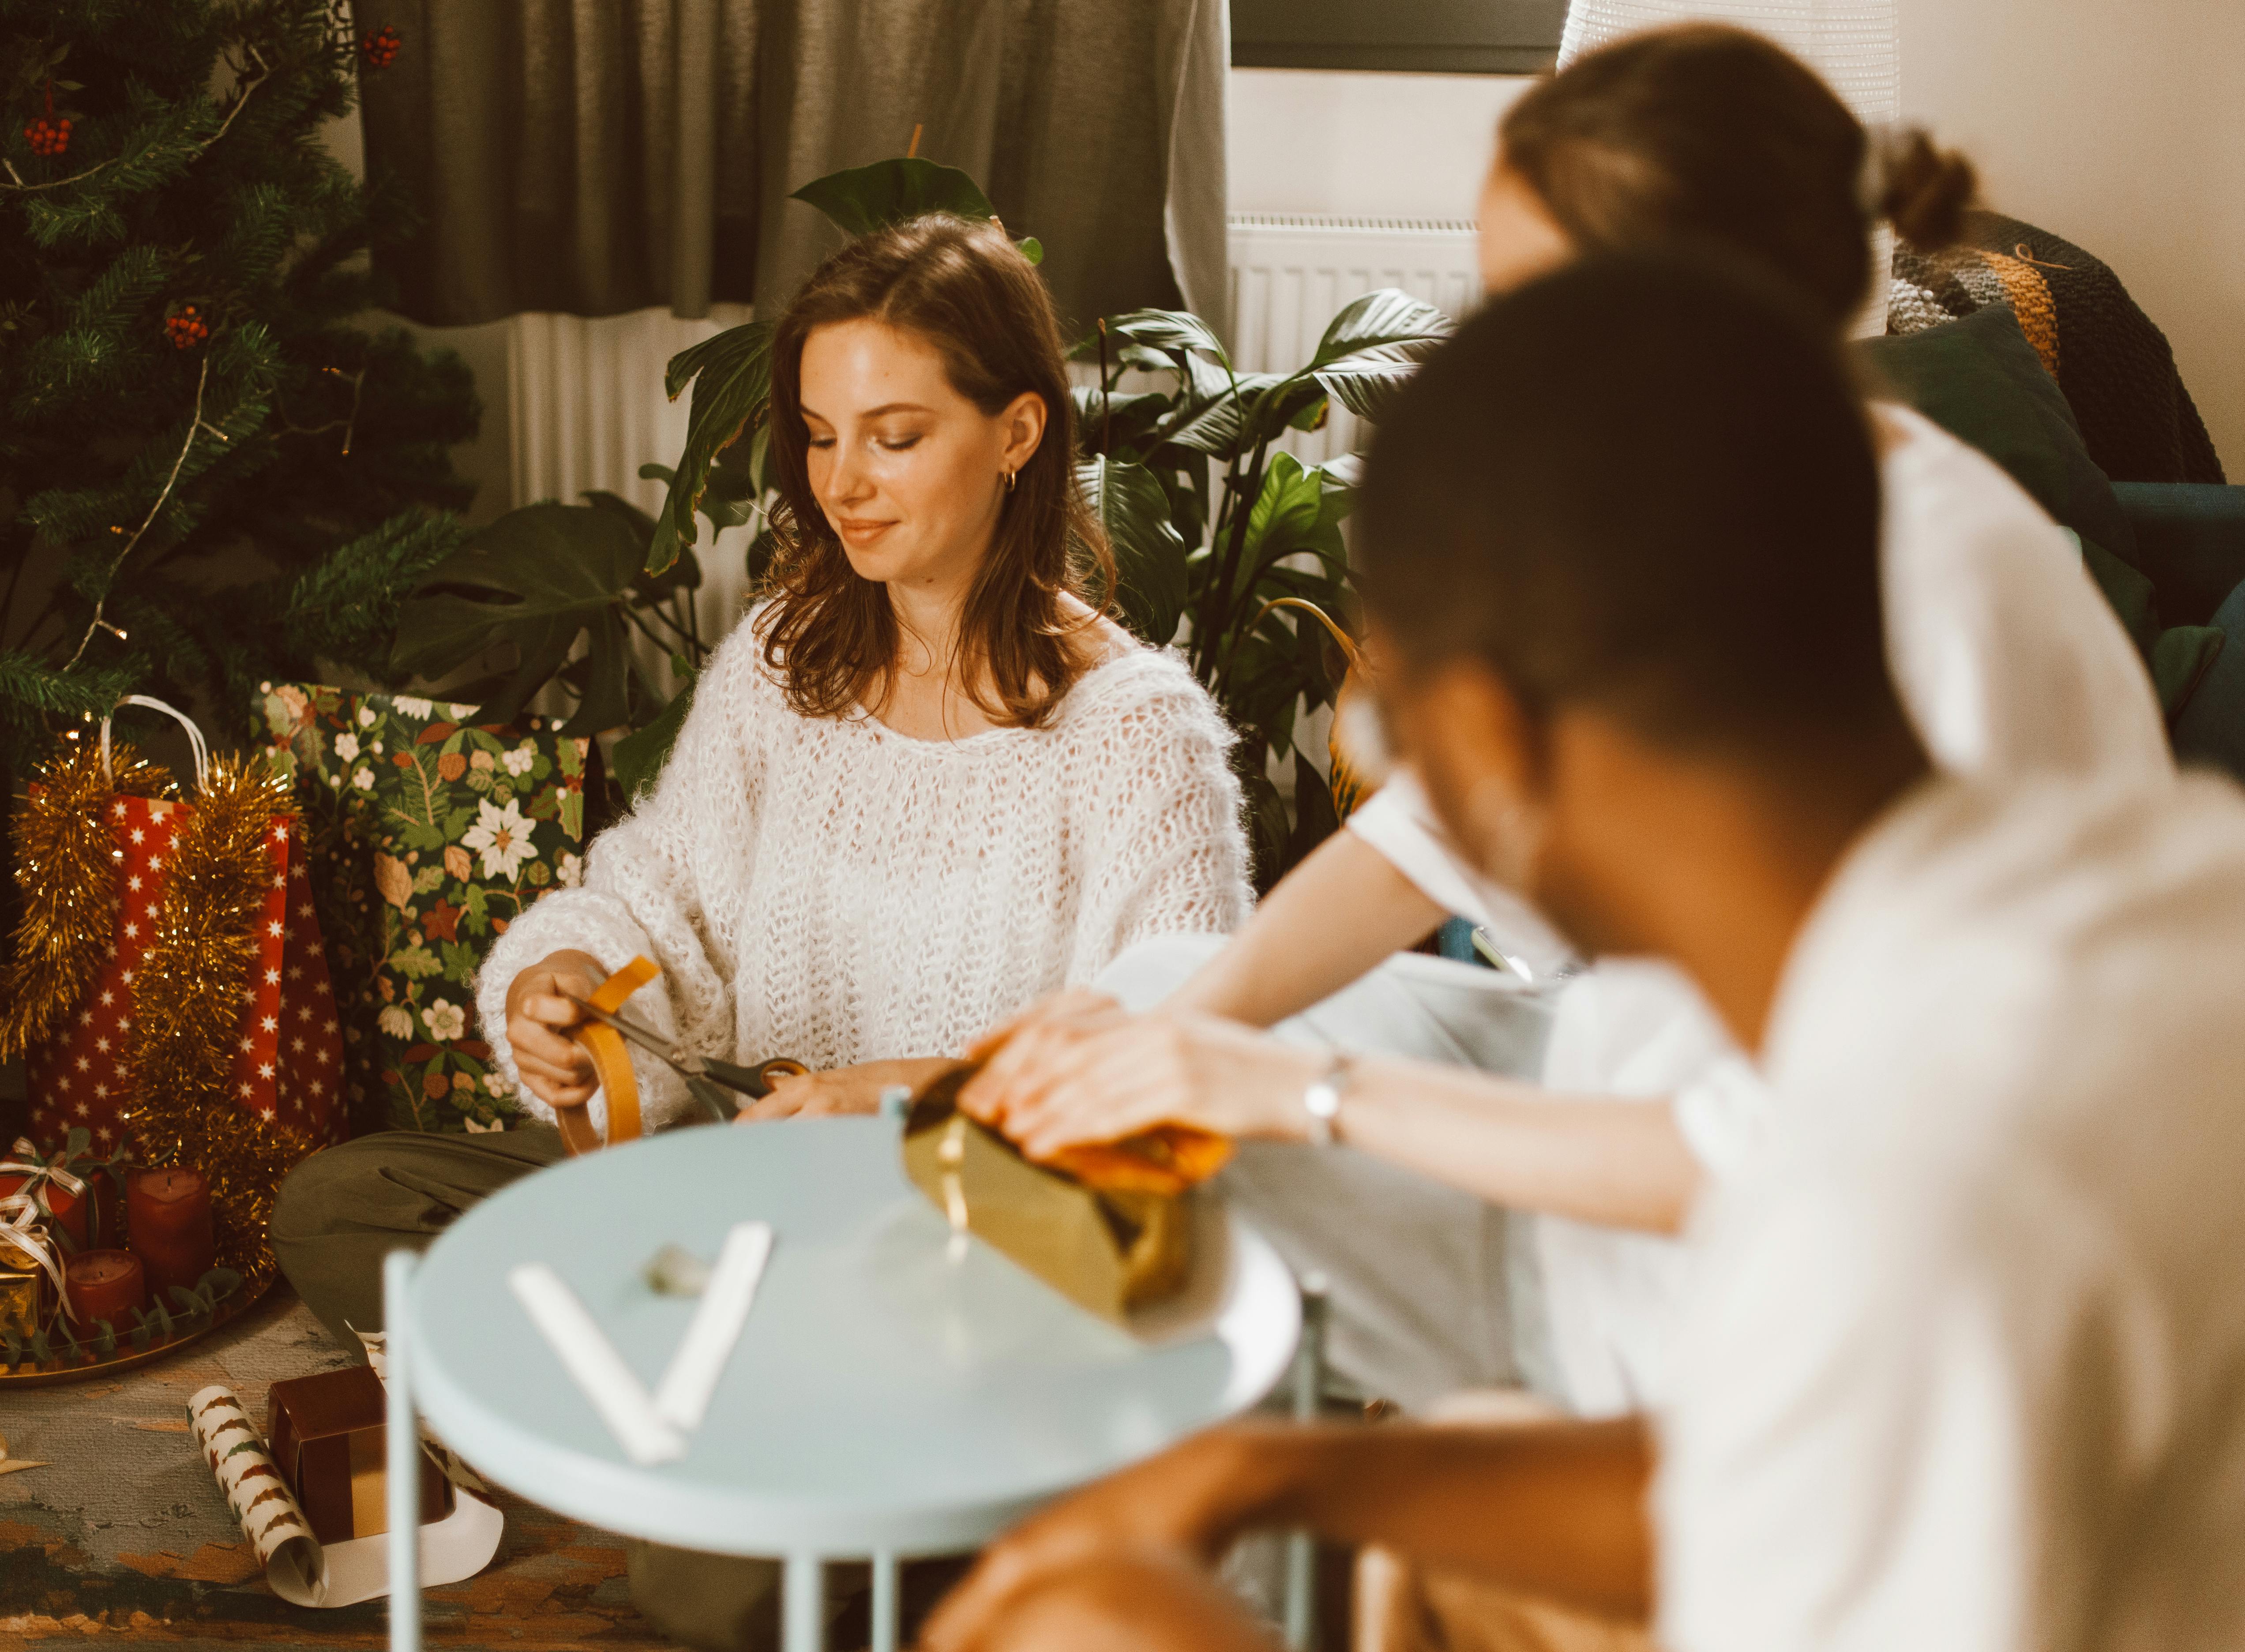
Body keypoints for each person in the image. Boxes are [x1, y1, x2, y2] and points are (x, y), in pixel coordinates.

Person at [926, 250, 2245, 1652]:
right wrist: (1280, 1470)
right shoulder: (2172, 884)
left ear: (1484, 745)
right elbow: (1761, 1490)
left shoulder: (1881, 1205)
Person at [968, 22, 2171, 1415]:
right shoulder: (1686, 492)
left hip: (1740, 1277)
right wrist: (1184, 1038)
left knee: (1169, 1188)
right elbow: (1429, 846)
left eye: (1544, 311)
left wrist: (1297, 1098)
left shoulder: (1944, 609)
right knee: (1140, 1002)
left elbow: (1817, 1159)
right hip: (1591, 1067)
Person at [271, 210, 1250, 1650]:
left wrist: (889, 1100)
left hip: (964, 1250)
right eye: (818, 434)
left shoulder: (1136, 738)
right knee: (345, 1208)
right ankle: (756, 1398)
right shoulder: (789, 658)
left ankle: (813, 1442)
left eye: (895, 436)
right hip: (730, 1191)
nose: (842, 485)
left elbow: (1169, 1093)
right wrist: (565, 978)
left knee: (706, 1590)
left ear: (1019, 432)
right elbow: (663, 889)